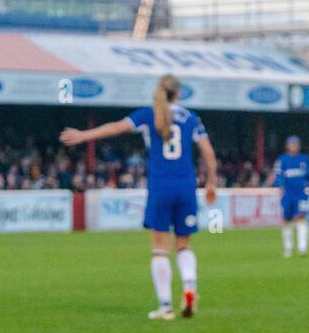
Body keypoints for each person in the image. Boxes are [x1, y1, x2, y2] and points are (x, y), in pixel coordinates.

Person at [61, 74, 218, 319]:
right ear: (179, 93)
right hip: (186, 186)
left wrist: (85, 135)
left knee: (159, 249)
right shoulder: (191, 118)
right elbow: (208, 151)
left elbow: (116, 128)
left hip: (160, 187)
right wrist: (212, 182)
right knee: (184, 245)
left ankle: (165, 306)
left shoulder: (149, 114)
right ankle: (189, 287)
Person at [272, 135, 309, 257]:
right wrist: (280, 187)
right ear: (287, 146)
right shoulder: (282, 160)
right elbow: (278, 175)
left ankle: (302, 248)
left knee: (301, 218)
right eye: (292, 144)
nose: (294, 146)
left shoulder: (304, 159)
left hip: (300, 194)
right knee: (286, 220)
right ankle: (288, 248)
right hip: (288, 194)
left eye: (296, 144)